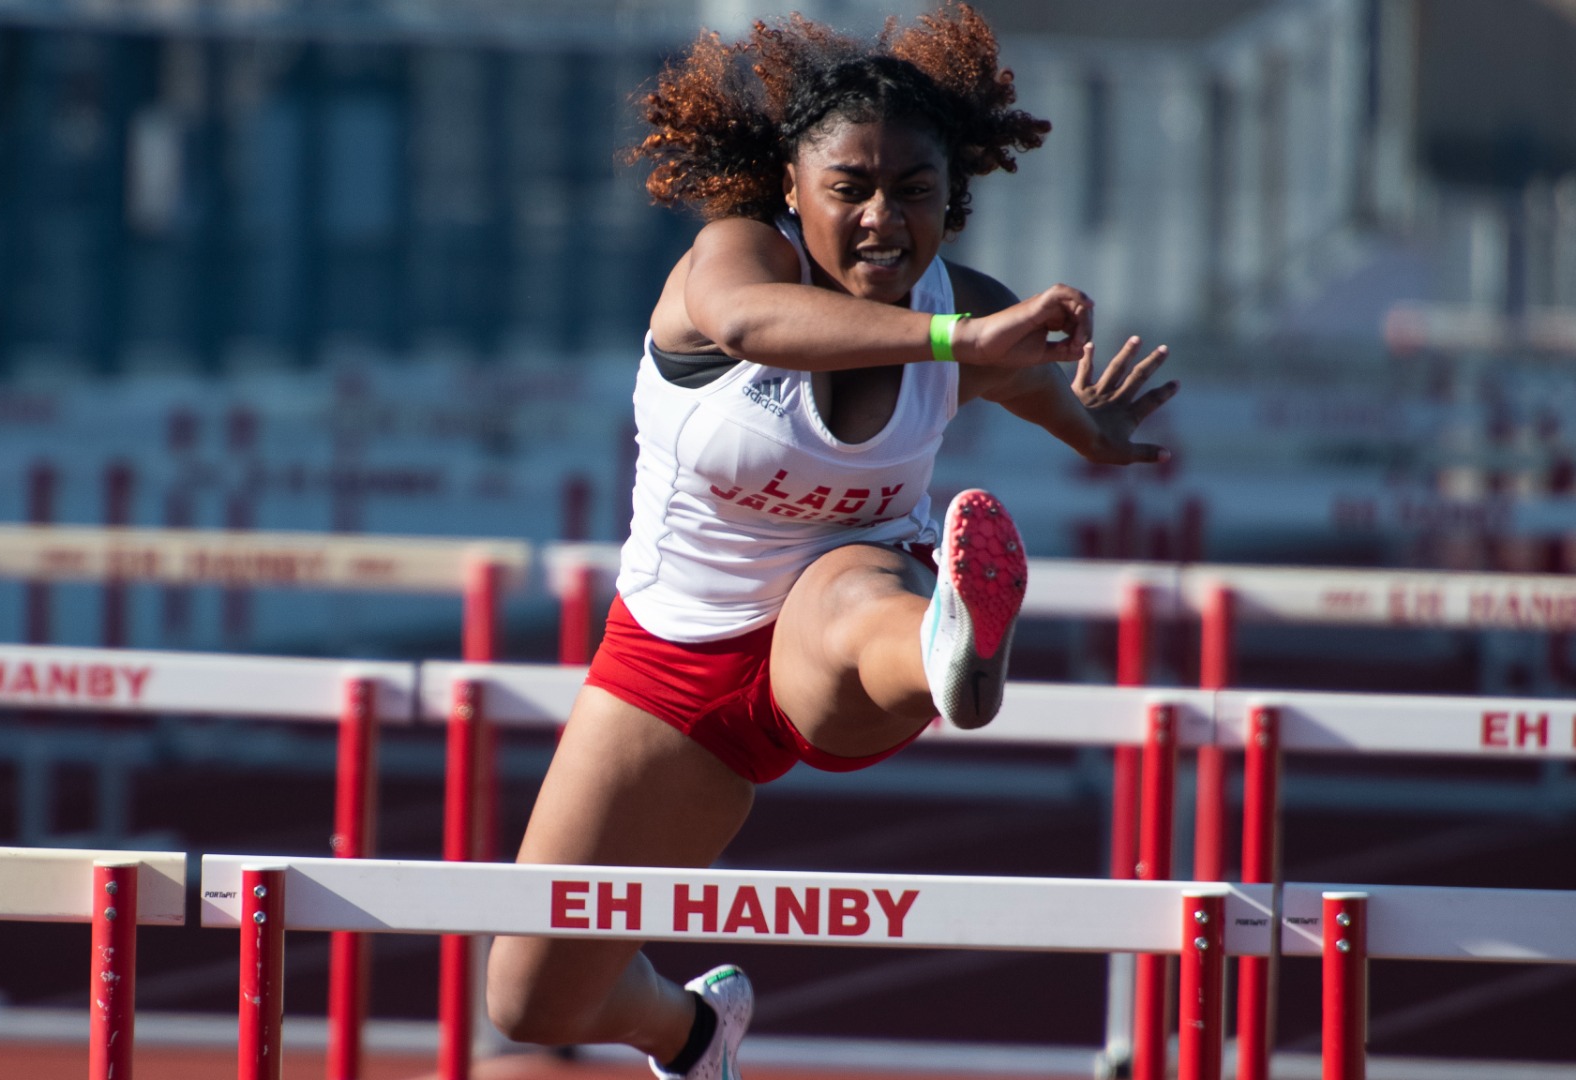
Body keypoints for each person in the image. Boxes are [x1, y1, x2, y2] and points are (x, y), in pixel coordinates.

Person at [486, 7, 1178, 1077]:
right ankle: (693, 1032)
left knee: (851, 589)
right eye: (849, 189)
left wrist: (1095, 428)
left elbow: (1044, 389)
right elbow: (757, 327)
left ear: (953, 197)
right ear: (793, 193)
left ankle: (949, 647)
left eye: (913, 190)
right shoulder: (733, 260)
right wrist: (959, 340)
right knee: (529, 1001)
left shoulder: (968, 316)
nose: (881, 221)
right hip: (668, 669)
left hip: (842, 636)